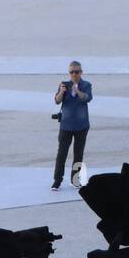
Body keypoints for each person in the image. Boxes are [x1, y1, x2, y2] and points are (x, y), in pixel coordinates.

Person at [51, 60, 92, 191]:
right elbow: (57, 101)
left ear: (81, 72)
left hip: (81, 126)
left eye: (77, 72)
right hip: (66, 126)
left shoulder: (86, 85)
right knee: (61, 154)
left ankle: (75, 180)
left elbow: (87, 98)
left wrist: (77, 90)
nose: (74, 74)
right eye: (72, 72)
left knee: (78, 154)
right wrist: (62, 92)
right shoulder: (64, 84)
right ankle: (57, 181)